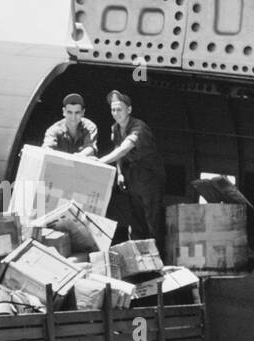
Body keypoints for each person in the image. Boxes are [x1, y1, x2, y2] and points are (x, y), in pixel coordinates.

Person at [98, 90, 165, 250]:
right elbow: (118, 149)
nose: (116, 113)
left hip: (150, 177)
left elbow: (123, 149)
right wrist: (120, 173)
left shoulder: (139, 127)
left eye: (119, 109)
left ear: (129, 110)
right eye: (113, 110)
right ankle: (139, 257)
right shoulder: (115, 128)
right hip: (133, 176)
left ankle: (160, 256)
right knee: (135, 219)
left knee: (152, 219)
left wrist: (100, 162)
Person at [42, 93, 99, 157]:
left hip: (81, 163)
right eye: (70, 112)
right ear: (64, 111)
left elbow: (90, 147)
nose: (73, 117)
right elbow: (47, 148)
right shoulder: (54, 129)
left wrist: (79, 156)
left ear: (83, 112)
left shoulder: (90, 127)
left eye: (77, 112)